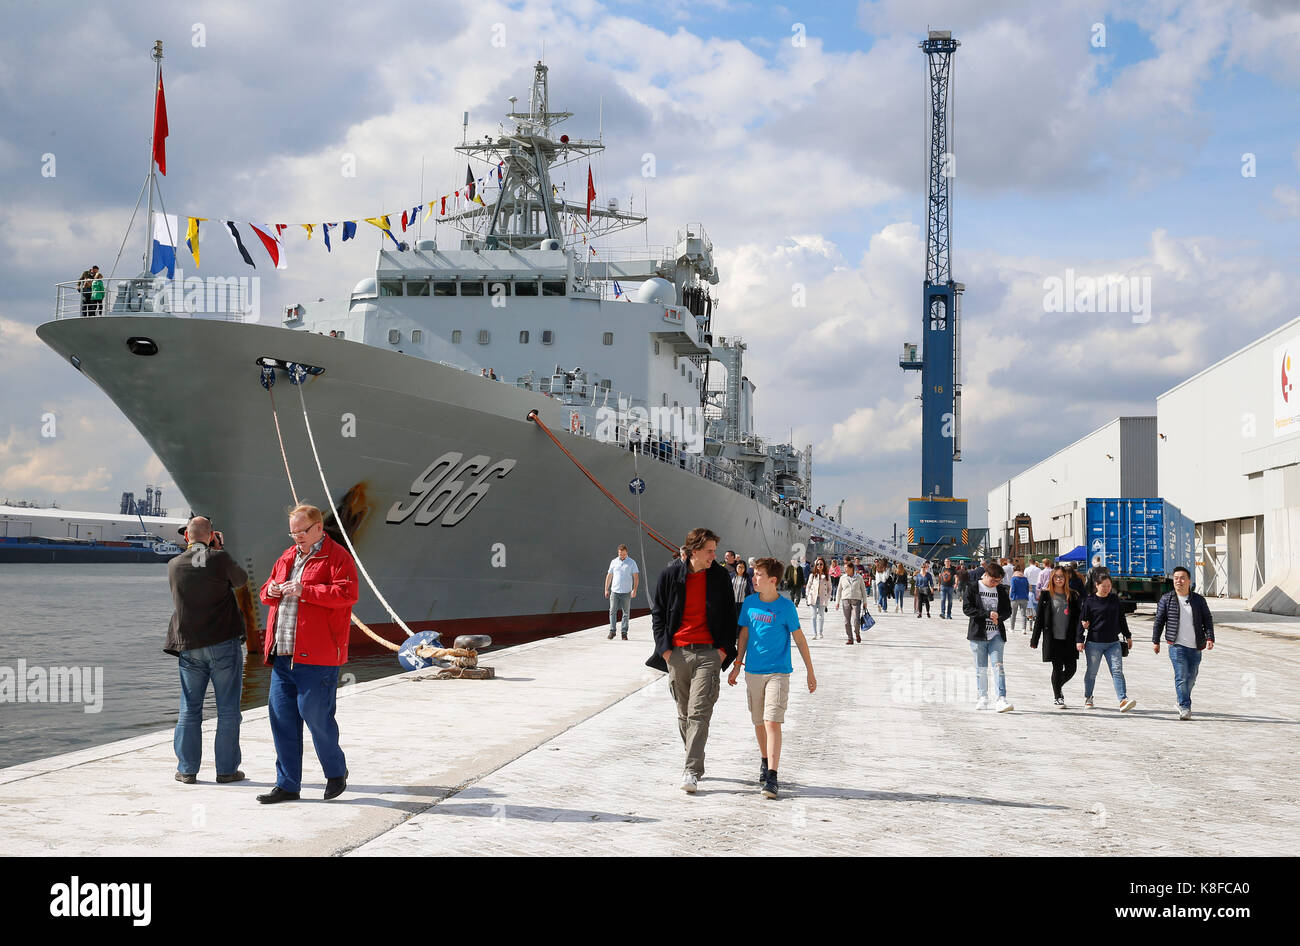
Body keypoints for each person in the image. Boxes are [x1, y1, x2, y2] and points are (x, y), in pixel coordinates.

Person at [256, 504, 359, 803]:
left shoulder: (337, 557)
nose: (296, 537)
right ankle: (288, 784)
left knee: (317, 718)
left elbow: (347, 594)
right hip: (282, 655)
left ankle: (336, 772)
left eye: (301, 531)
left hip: (317, 656)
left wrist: (306, 591)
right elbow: (265, 591)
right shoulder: (288, 556)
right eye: (292, 532)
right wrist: (271, 590)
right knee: (282, 721)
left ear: (318, 527)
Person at [646, 527, 738, 793]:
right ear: (694, 551)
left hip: (709, 653)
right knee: (684, 713)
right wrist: (665, 650)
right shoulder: (671, 574)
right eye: (710, 551)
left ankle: (691, 769)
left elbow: (730, 616)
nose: (714, 556)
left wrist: (722, 651)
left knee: (699, 712)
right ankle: (695, 759)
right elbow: (659, 613)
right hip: (677, 653)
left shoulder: (720, 576)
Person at [165, 517, 248, 785]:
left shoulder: (174, 565)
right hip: (223, 643)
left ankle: (187, 770)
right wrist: (220, 550)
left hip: (189, 646)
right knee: (227, 710)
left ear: (186, 538)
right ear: (211, 535)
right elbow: (241, 580)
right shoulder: (218, 559)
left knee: (190, 709)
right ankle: (226, 771)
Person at [729, 557, 816, 800]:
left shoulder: (786, 607)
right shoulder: (749, 603)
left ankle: (773, 776)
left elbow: (799, 639)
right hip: (753, 672)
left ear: (772, 580)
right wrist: (737, 665)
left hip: (778, 672)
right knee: (758, 721)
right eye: (753, 574)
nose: (753, 578)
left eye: (758, 575)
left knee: (772, 721)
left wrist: (810, 670)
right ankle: (765, 761)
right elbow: (744, 636)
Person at [1152, 566, 1215, 720]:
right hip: (1176, 645)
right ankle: (1185, 706)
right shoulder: (1167, 599)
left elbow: (1207, 619)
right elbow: (1159, 621)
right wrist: (1156, 641)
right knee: (1181, 676)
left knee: (1191, 677)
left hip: (1196, 645)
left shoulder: (1198, 600)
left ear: (1189, 581)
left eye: (1182, 578)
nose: (1178, 581)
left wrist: (1210, 637)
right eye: (1176, 578)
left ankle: (1181, 699)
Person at [1077, 568, 1136, 712]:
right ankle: (1088, 697)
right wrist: (1080, 638)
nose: (1106, 589)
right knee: (1092, 672)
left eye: (1109, 586)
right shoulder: (1089, 601)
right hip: (1094, 643)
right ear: (1096, 585)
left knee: (1117, 671)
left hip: (1113, 643)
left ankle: (1123, 699)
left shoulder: (1114, 599)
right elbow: (1082, 620)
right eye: (1104, 586)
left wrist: (1128, 636)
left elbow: (1121, 619)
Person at [962, 561, 1014, 712]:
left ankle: (1001, 699)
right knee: (981, 668)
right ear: (986, 575)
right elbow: (967, 609)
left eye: (998, 581)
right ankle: (983, 697)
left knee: (998, 666)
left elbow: (1007, 611)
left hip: (996, 634)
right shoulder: (973, 587)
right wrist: (987, 614)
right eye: (993, 580)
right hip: (978, 634)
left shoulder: (1001, 590)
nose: (995, 584)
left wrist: (1000, 617)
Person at [1030, 566, 1080, 708]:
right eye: (1056, 576)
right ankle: (1058, 696)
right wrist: (1034, 639)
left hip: (1069, 639)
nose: (1059, 579)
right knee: (1057, 668)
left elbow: (1078, 617)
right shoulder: (1046, 595)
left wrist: (1081, 635)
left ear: (1066, 578)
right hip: (1053, 639)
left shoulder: (1073, 595)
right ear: (1052, 578)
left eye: (1062, 577)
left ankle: (1057, 685)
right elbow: (1039, 618)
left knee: (1071, 669)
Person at [604, 543, 639, 640]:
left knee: (626, 613)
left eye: (623, 554)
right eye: (620, 554)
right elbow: (609, 575)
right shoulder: (614, 562)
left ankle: (624, 633)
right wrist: (606, 589)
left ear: (626, 552)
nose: (622, 556)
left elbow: (636, 577)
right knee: (612, 611)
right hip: (614, 591)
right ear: (618, 553)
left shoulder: (632, 562)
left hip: (626, 592)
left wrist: (634, 589)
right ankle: (612, 631)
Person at [838, 561, 867, 643]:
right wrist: (837, 602)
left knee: (856, 619)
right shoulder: (843, 577)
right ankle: (850, 638)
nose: (845, 569)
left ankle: (857, 633)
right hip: (845, 600)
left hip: (856, 600)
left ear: (851, 568)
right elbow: (839, 590)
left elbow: (863, 590)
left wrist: (865, 601)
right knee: (847, 621)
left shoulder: (859, 577)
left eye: (846, 568)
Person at [805, 558, 831, 640]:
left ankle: (820, 633)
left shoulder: (826, 576)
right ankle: (814, 633)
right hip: (813, 597)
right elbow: (808, 586)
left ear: (824, 565)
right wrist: (808, 595)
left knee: (821, 616)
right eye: (818, 564)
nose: (819, 566)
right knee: (813, 616)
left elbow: (830, 588)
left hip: (822, 598)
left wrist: (828, 596)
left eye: (821, 564)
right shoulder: (812, 575)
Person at [1008, 566, 1030, 633]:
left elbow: (1013, 588)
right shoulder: (1025, 579)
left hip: (1015, 598)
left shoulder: (1014, 579)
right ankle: (1023, 629)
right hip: (1024, 597)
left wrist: (1011, 596)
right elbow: (1027, 588)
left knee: (1013, 614)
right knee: (1023, 614)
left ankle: (1012, 628)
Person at [1024, 558, 1043, 631]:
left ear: (1029, 562)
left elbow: (1025, 579)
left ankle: (1030, 624)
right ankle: (1039, 624)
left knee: (1029, 606)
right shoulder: (1038, 570)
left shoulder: (1026, 569)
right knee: (1037, 606)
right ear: (1035, 562)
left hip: (1029, 586)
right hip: (1037, 587)